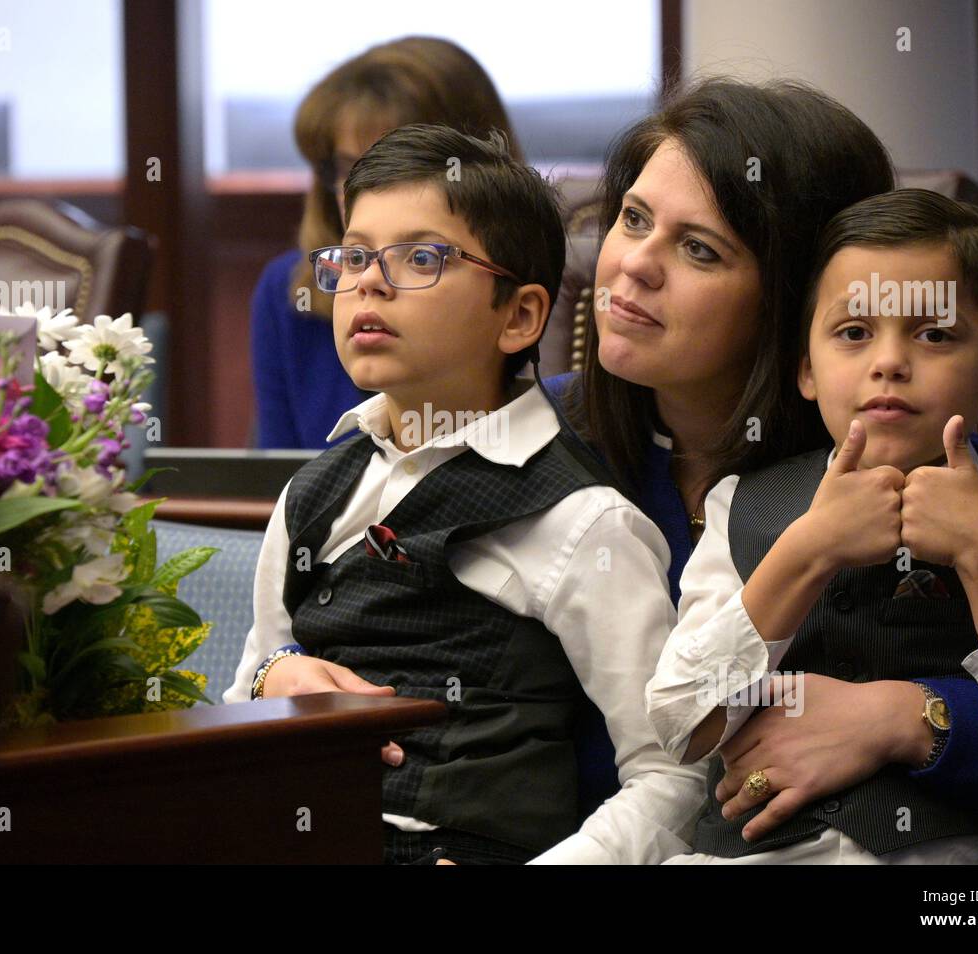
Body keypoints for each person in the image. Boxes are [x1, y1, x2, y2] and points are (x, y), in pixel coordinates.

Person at [548, 78, 978, 849]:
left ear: (786, 301)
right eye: (633, 219)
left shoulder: (968, 494)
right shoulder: (519, 444)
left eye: (699, 248)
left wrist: (906, 715)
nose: (634, 266)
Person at [225, 124, 707, 864]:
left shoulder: (582, 521)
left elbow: (673, 772)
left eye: (420, 258)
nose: (369, 283)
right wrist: (268, 680)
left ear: (519, 317)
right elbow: (241, 698)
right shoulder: (311, 494)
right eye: (353, 256)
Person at [644, 189, 978, 863]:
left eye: (935, 334)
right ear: (806, 368)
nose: (889, 361)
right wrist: (806, 552)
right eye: (854, 333)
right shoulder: (742, 504)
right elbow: (680, 724)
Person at [251, 37, 520, 449]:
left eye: (395, 167)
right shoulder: (292, 289)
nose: (364, 191)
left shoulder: (527, 284)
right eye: (346, 168)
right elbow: (275, 483)